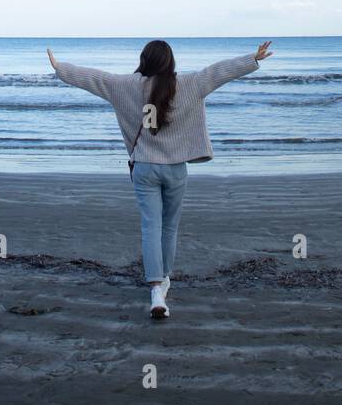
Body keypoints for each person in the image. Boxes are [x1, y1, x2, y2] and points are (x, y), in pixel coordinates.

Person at [47, 40, 273, 318]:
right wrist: (252, 58)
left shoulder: (124, 86)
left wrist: (61, 68)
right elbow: (218, 72)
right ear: (170, 61)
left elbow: (95, 78)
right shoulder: (189, 84)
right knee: (170, 227)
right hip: (175, 168)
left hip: (144, 168)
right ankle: (163, 281)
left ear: (144, 60)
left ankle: (156, 286)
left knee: (150, 226)